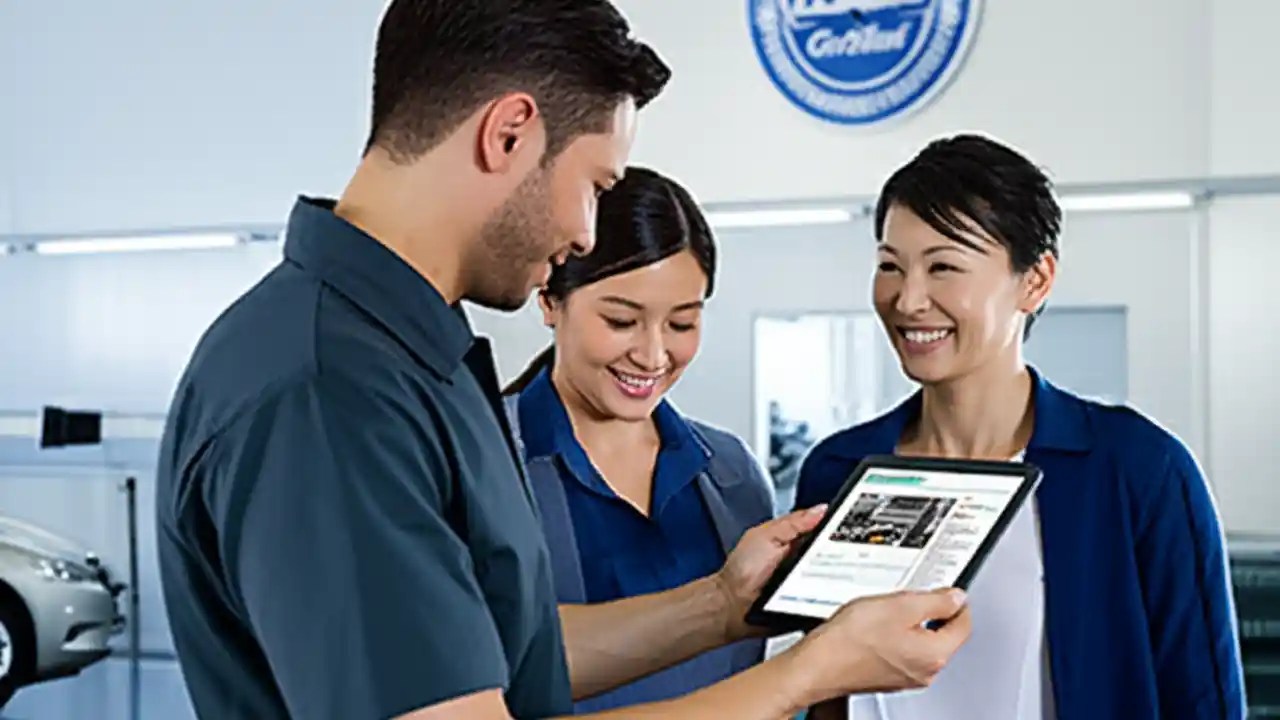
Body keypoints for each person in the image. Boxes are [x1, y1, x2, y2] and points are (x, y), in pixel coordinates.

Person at [154, 2, 973, 720]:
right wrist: (811, 672)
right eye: (593, 183)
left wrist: (725, 606)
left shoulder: (407, 359)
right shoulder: (333, 394)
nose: (587, 232)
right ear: (507, 133)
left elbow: (505, 656)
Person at [796, 134, 1246, 720]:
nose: (908, 299)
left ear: (1034, 280)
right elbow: (819, 694)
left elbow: (1203, 700)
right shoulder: (838, 470)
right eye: (890, 266)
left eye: (944, 267)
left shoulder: (1136, 467)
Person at [500, 167, 775, 712]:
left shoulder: (732, 475)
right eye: (622, 321)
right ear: (550, 300)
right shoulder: (483, 460)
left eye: (681, 324)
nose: (652, 356)